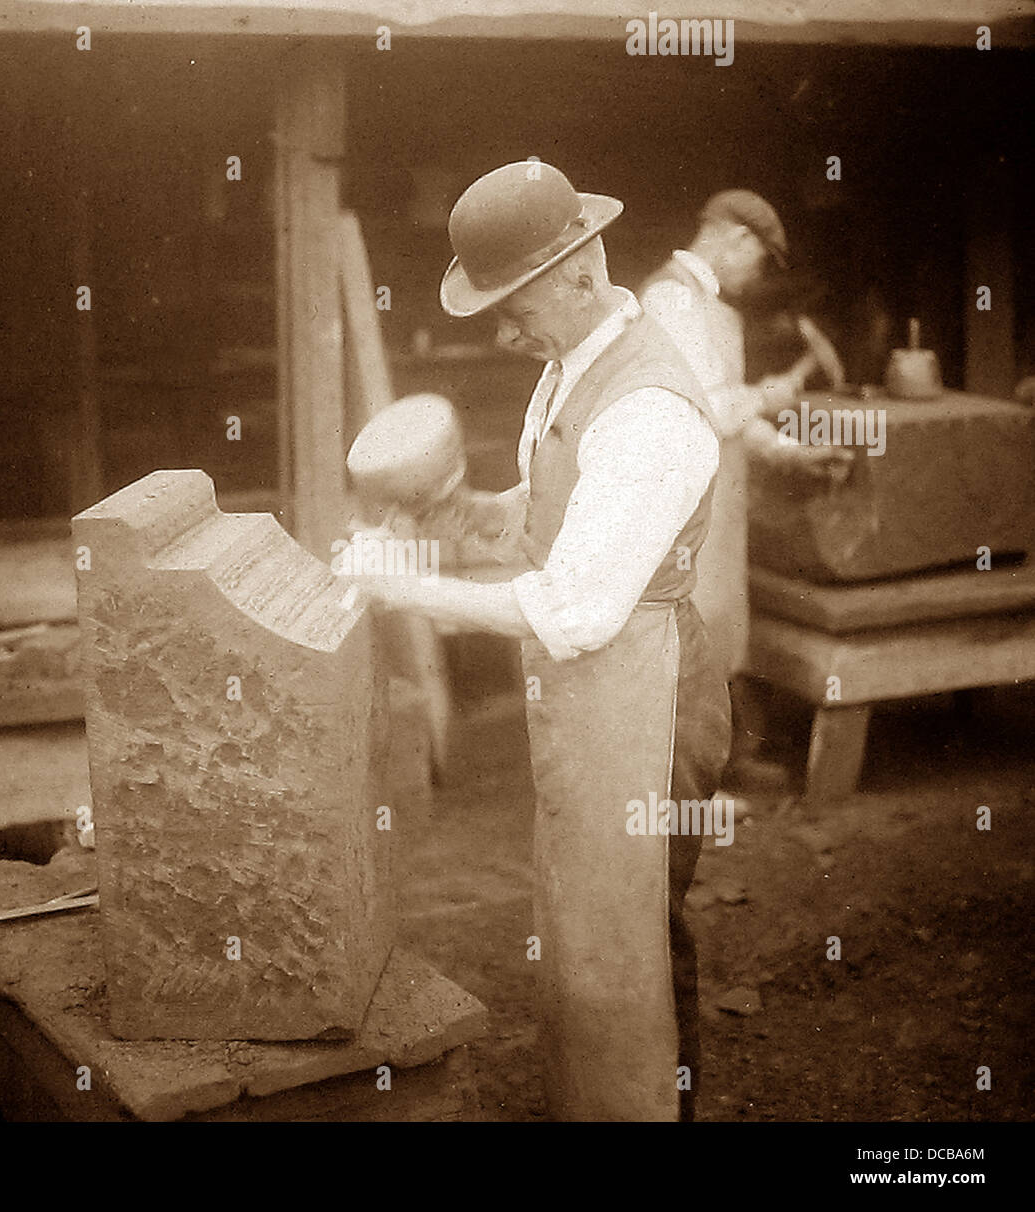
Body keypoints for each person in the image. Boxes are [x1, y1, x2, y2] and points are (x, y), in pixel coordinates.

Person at [344, 161, 730, 1120]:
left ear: (577, 274)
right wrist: (446, 516)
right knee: (590, 933)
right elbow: (546, 513)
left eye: (512, 304)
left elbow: (576, 609)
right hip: (598, 697)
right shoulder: (573, 370)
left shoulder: (647, 409)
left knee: (633, 939)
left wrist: (410, 590)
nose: (503, 331)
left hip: (655, 699)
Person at [639, 191, 849, 785]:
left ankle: (718, 768)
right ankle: (682, 788)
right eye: (758, 260)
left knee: (719, 631)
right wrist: (770, 394)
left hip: (719, 502)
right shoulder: (671, 299)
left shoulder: (712, 307)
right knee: (687, 636)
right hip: (683, 503)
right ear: (736, 239)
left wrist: (789, 451)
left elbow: (732, 414)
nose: (756, 276)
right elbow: (705, 408)